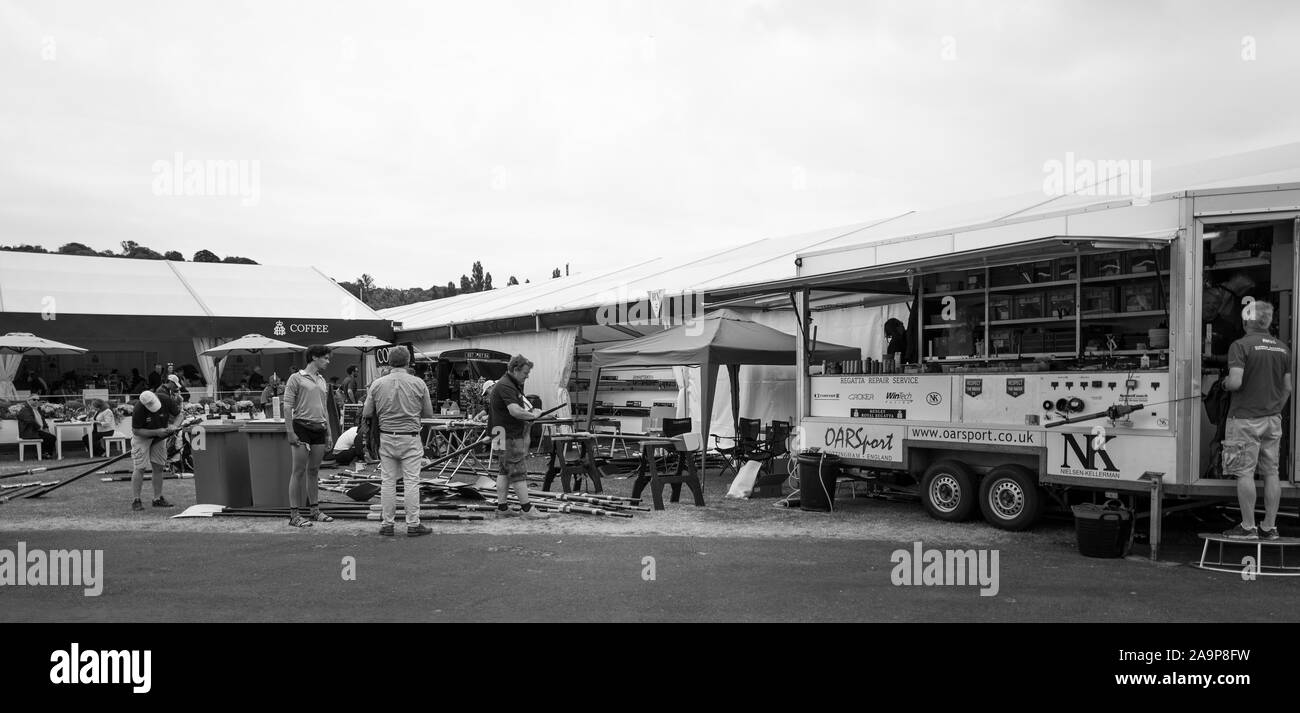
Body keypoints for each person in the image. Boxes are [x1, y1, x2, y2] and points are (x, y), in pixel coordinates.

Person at [1220, 301, 1293, 540]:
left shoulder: (1240, 346)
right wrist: (1274, 410)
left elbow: (1236, 382)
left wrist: (1223, 384)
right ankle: (1269, 527)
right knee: (1272, 473)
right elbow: (1287, 388)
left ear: (1245, 321)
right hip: (1272, 420)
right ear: (1268, 321)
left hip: (1244, 419)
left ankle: (1248, 527)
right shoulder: (1282, 348)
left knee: (1245, 473)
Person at [361, 346, 434, 537]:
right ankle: (413, 524)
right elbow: (428, 413)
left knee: (387, 481)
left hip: (386, 436)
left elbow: (367, 412)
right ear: (408, 361)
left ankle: (387, 524)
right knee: (411, 481)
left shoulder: (377, 384)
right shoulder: (418, 383)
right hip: (410, 436)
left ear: (389, 362)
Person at [489, 355, 549, 519]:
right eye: (525, 373)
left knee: (504, 470)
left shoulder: (508, 383)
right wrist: (532, 415)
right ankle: (527, 509)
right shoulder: (507, 385)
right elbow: (515, 411)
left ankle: (502, 508)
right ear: (515, 370)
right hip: (508, 434)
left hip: (499, 433)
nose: (527, 376)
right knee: (517, 471)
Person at [283, 345, 334, 528]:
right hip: (301, 426)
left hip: (319, 428)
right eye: (325, 358)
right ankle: (294, 515)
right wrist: (290, 431)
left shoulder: (322, 380)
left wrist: (328, 432)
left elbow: (324, 408)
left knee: (313, 471)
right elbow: (287, 406)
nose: (328, 361)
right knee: (298, 471)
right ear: (314, 357)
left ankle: (315, 511)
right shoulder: (295, 378)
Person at [130, 389, 181, 511]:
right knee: (140, 468)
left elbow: (180, 415)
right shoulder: (138, 409)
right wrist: (156, 432)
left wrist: (174, 426)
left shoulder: (165, 399)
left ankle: (157, 499)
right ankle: (136, 500)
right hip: (142, 438)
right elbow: (136, 431)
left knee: (158, 467)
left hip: (161, 437)